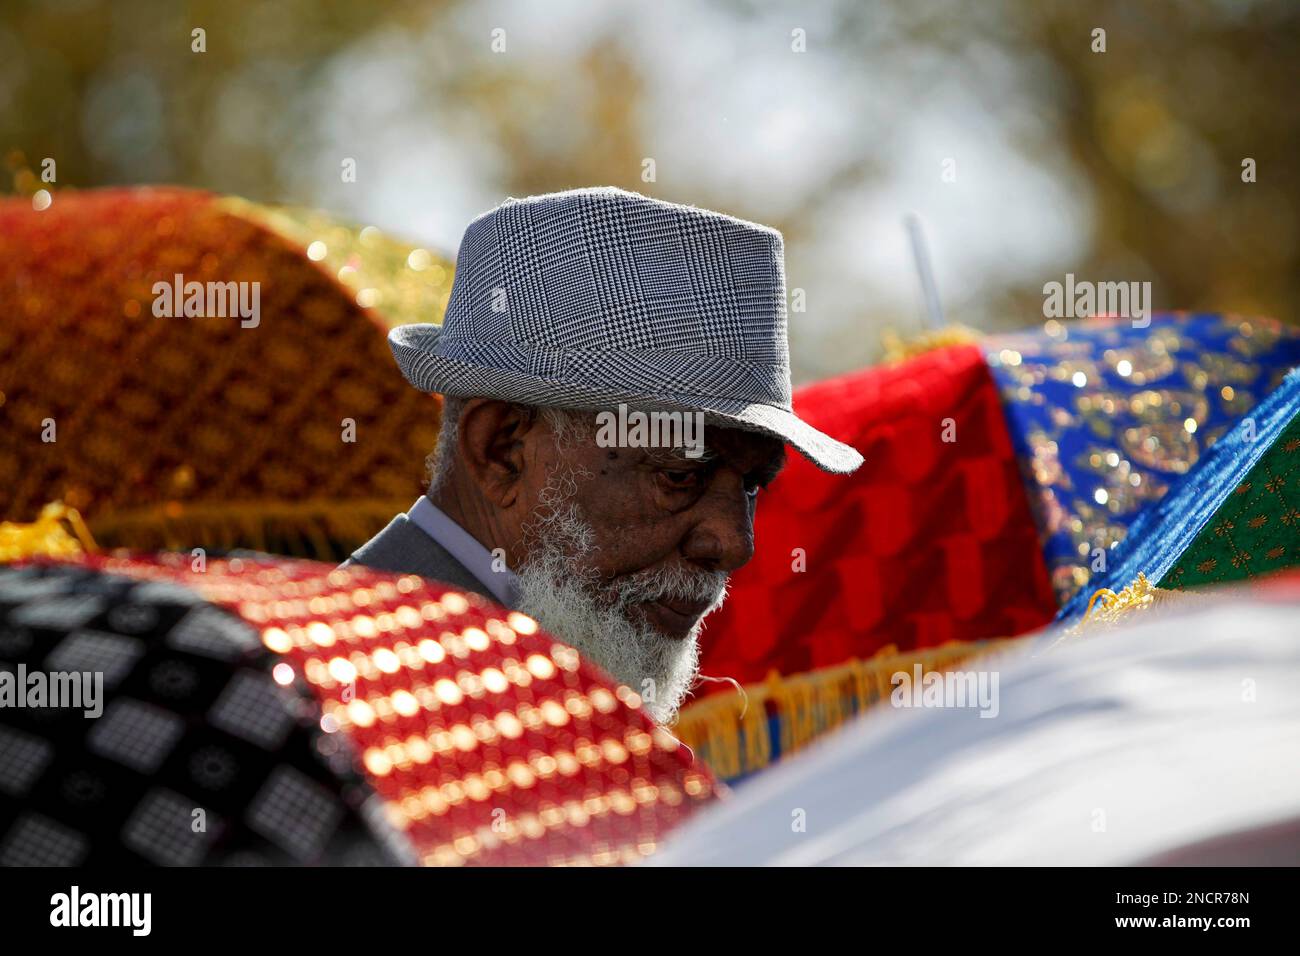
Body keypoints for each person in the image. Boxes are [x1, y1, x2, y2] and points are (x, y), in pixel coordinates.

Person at [347, 187, 862, 723]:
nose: (734, 544)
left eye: (753, 485)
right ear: (501, 449)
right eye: (679, 475)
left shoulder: (549, 702)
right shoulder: (336, 693)